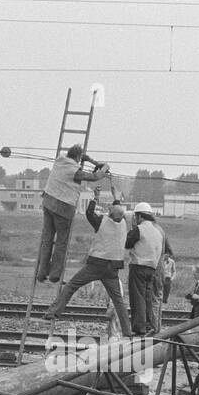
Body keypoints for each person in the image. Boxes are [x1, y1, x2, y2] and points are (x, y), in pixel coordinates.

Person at [42, 199, 135, 338]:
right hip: (113, 268)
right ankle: (127, 331)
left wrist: (95, 198)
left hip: (96, 265)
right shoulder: (123, 225)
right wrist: (116, 199)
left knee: (72, 285)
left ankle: (53, 312)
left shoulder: (102, 222)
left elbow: (89, 213)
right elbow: (119, 212)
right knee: (118, 300)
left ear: (110, 213)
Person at [37, 144, 109, 284]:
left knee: (47, 239)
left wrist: (90, 160)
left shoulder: (59, 161)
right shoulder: (74, 170)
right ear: (78, 157)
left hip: (48, 203)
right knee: (61, 242)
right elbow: (95, 176)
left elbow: (80, 159)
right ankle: (55, 274)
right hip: (63, 208)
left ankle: (41, 272)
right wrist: (104, 167)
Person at [124, 202, 163, 336]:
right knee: (147, 298)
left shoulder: (139, 229)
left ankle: (139, 328)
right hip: (152, 269)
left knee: (137, 298)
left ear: (140, 216)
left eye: (135, 216)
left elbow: (127, 242)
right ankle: (149, 326)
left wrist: (131, 227)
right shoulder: (158, 231)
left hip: (138, 266)